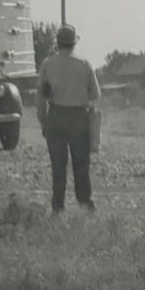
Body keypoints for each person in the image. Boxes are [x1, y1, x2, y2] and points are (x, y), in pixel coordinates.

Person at [36, 24, 100, 213]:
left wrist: (44, 120)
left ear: (57, 42)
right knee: (81, 164)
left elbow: (40, 96)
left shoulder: (48, 64)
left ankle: (58, 207)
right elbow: (95, 94)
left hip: (55, 117)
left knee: (58, 165)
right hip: (79, 118)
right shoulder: (84, 64)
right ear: (73, 43)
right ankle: (85, 204)